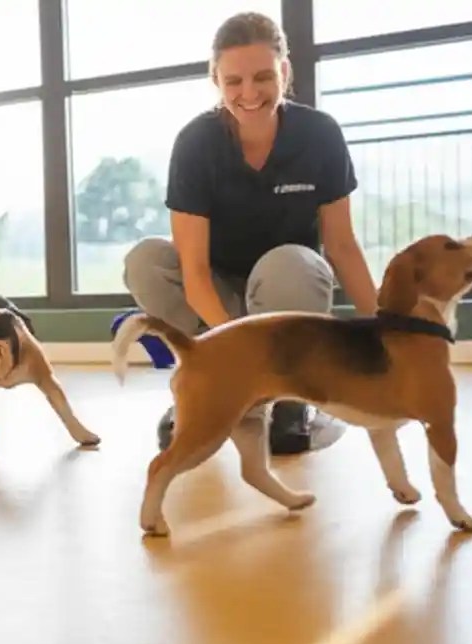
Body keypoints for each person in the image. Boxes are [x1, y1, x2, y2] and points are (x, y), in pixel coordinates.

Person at [122, 11, 380, 455]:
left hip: (286, 293)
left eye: (263, 77)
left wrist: (388, 333)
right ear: (215, 80)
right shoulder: (195, 144)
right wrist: (238, 361)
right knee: (145, 261)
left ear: (284, 71)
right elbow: (195, 272)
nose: (249, 93)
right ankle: (213, 381)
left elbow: (341, 246)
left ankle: (290, 392)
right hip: (215, 298)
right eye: (233, 81)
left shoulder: (320, 135)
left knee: (292, 262)